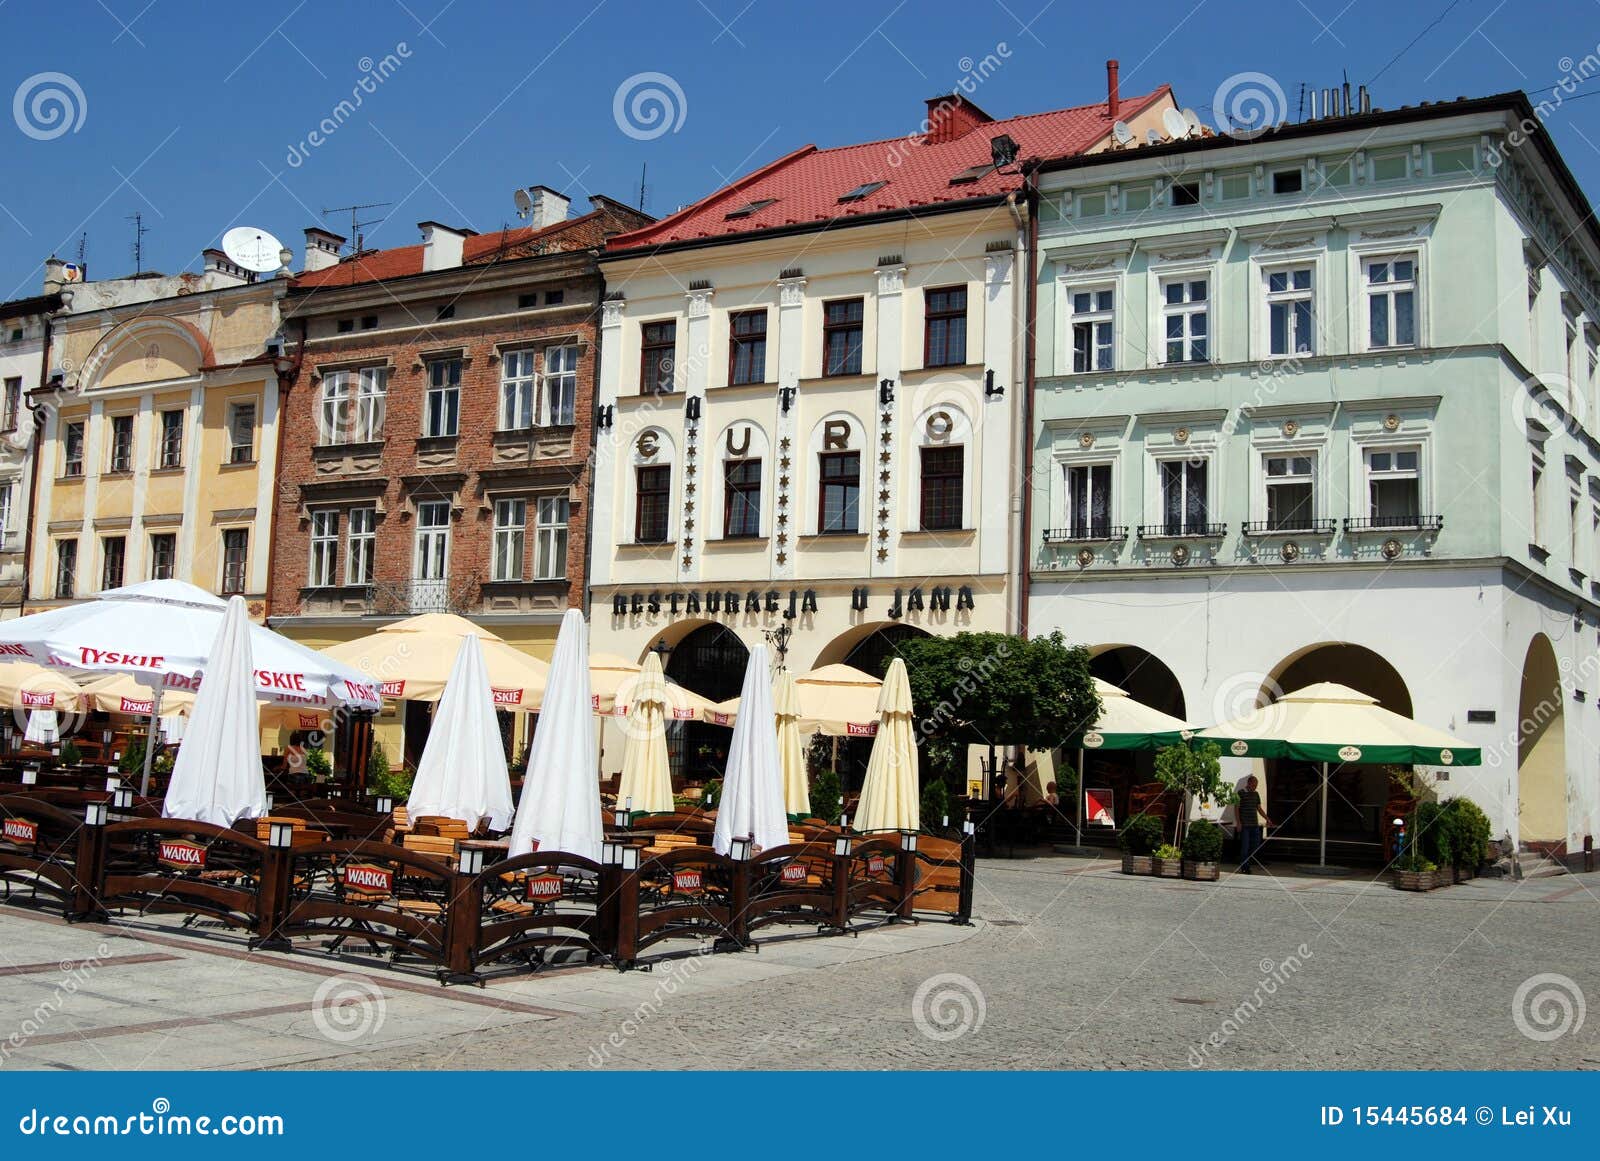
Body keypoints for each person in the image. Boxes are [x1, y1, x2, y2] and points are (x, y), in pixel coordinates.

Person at [1236, 775, 1272, 873]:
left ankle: (1246, 862)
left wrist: (1267, 819)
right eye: (1254, 785)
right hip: (1245, 825)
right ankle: (1245, 866)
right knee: (1245, 847)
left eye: (1256, 785)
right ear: (1249, 783)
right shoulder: (1241, 793)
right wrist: (1239, 823)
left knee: (1255, 845)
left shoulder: (1256, 794)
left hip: (1254, 825)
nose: (1255, 787)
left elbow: (1259, 809)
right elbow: (1237, 809)